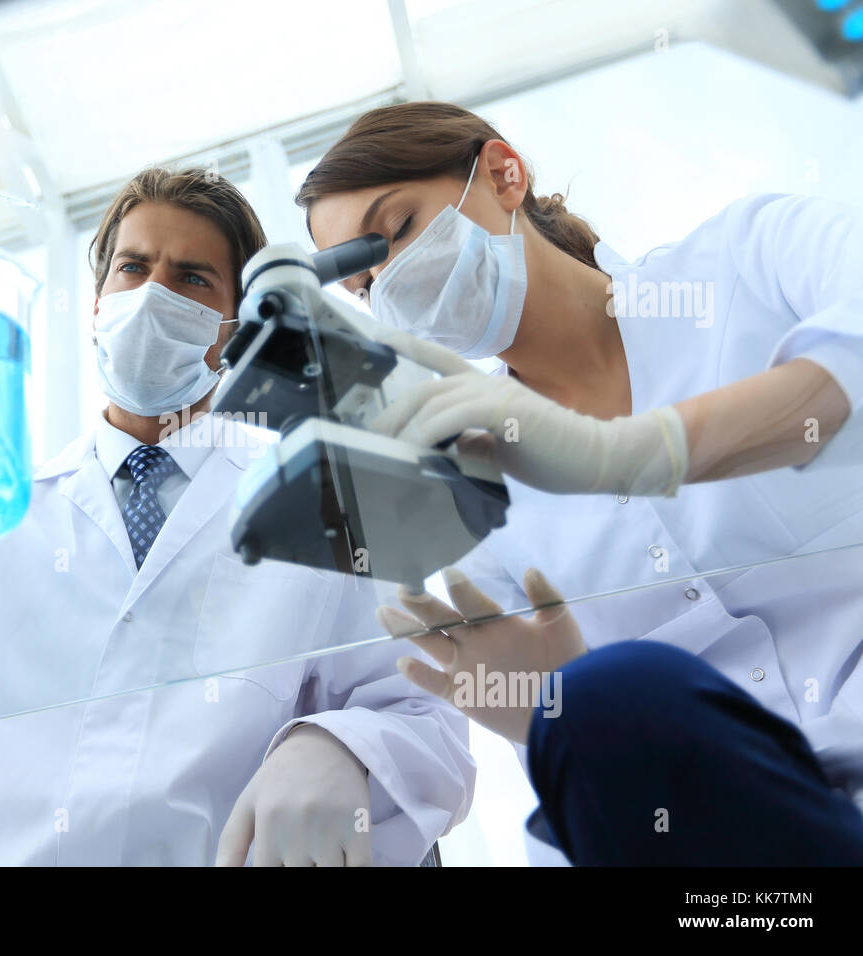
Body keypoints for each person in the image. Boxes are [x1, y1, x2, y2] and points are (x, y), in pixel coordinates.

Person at [0, 162, 474, 866]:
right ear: (93, 307)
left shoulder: (326, 507)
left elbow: (429, 719)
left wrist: (338, 747)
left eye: (191, 278)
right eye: (133, 267)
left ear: (238, 328)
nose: (153, 293)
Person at [297, 101, 863, 865]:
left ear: (503, 174)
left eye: (396, 233)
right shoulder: (480, 503)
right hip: (745, 869)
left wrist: (626, 453)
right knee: (605, 699)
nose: (393, 289)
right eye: (365, 287)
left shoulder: (749, 260)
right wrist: (546, 710)